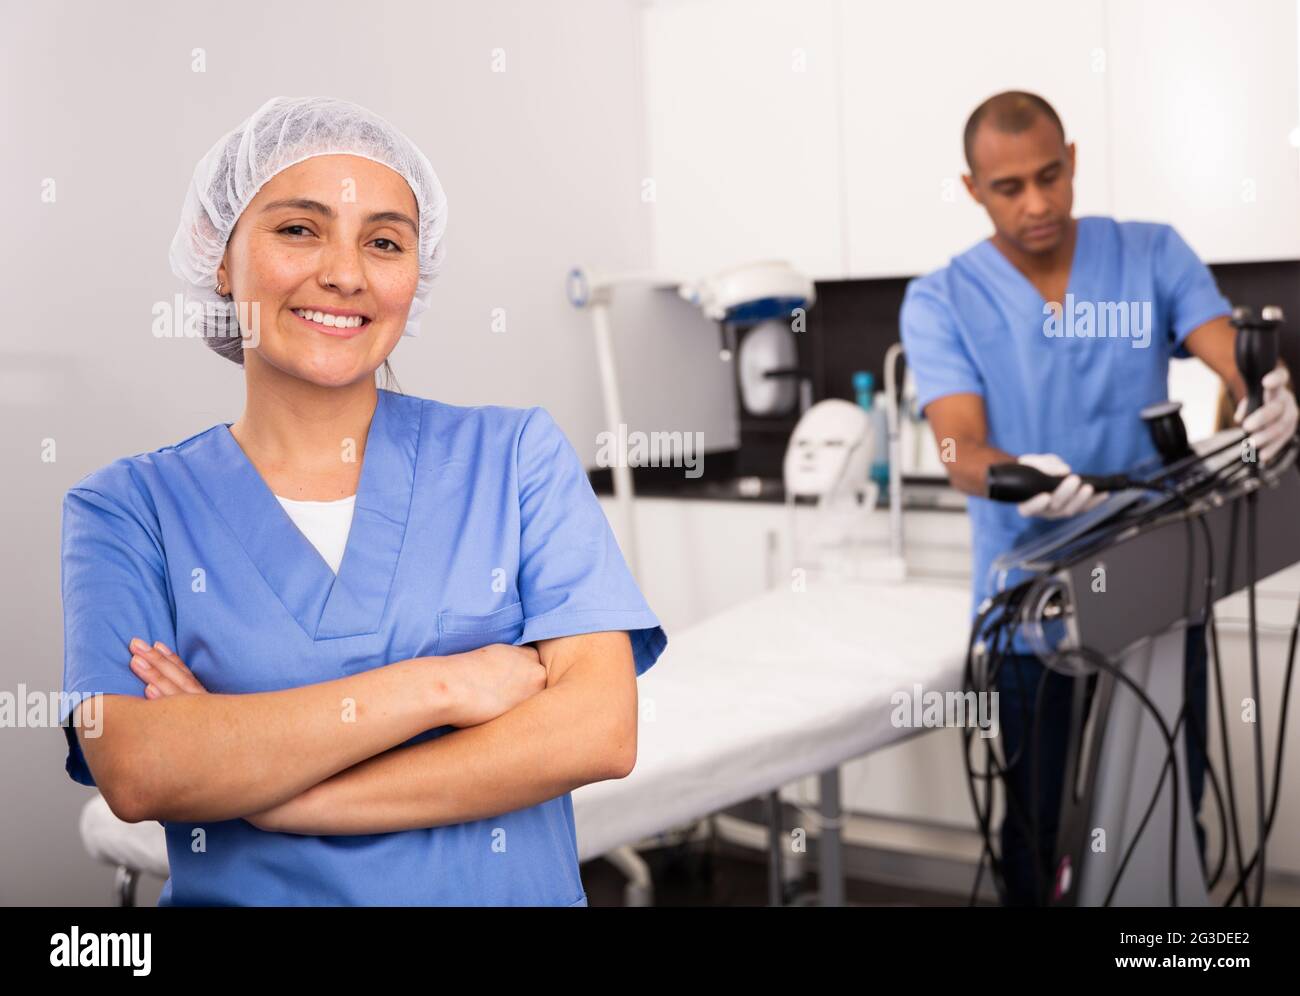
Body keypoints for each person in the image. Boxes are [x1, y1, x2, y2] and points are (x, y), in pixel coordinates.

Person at [58, 95, 667, 907]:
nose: (345, 273)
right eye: (298, 229)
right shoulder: (128, 511)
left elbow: (598, 729)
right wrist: (444, 686)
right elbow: (139, 769)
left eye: (384, 242)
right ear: (221, 257)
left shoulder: (513, 457)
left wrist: (278, 793)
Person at [899, 90, 1297, 905]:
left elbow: (1225, 348)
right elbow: (958, 446)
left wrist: (1267, 387)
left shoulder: (1150, 255)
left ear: (1073, 159)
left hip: (1157, 584)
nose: (1038, 203)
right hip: (1030, 604)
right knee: (1037, 827)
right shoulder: (941, 299)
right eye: (1009, 188)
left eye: (1051, 175)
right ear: (973, 189)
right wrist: (1023, 474)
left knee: (1167, 802)